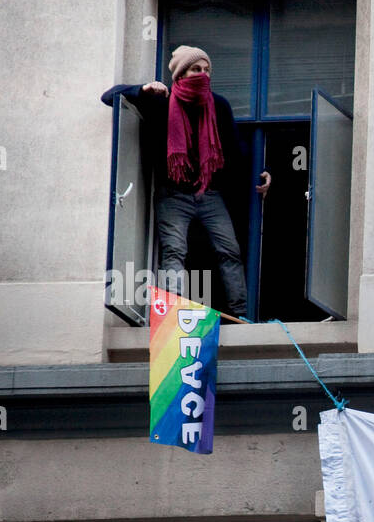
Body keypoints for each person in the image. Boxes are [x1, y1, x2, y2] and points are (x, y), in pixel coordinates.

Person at [101, 45, 270, 320]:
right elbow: (110, 97)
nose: (202, 75)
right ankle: (172, 316)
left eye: (206, 70)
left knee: (230, 252)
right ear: (181, 73)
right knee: (174, 252)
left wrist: (260, 174)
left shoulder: (219, 105)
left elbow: (235, 151)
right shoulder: (160, 102)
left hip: (210, 194)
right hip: (173, 195)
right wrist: (141, 90)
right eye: (195, 69)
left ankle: (241, 316)